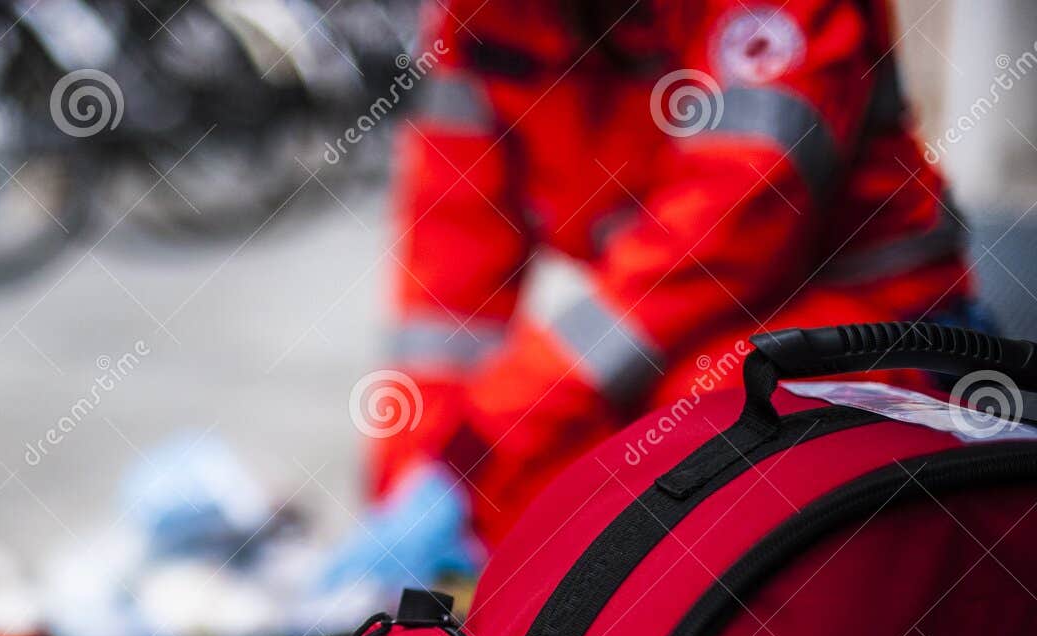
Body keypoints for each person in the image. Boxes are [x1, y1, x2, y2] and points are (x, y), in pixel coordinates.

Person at [323, 0, 990, 590]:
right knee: (522, 496)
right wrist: (421, 472)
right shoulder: (486, 14)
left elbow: (738, 218)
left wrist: (490, 436)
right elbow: (449, 276)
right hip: (676, 333)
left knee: (682, 475)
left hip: (879, 329)